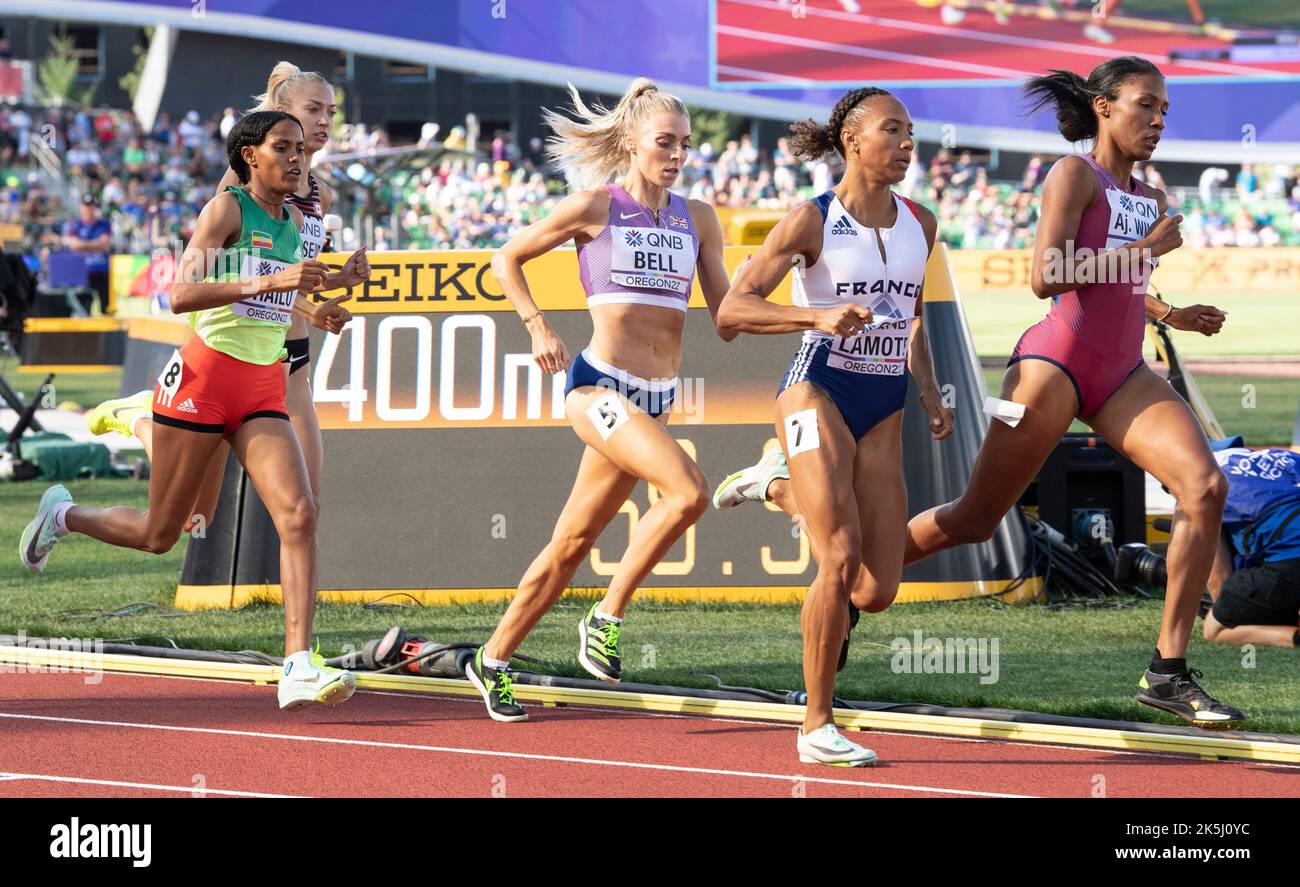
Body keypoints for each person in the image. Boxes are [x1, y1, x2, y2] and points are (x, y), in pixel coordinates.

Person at [903, 57, 1242, 729]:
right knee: (974, 516)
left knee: (1204, 487)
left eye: (1165, 110)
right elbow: (1046, 274)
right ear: (1103, 107)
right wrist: (1144, 248)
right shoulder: (1072, 175)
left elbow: (1126, 287)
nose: (1158, 120)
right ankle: (855, 568)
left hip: (1120, 373)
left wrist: (1170, 314)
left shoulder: (1153, 195)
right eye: (1146, 105)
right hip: (1052, 362)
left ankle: (1167, 671)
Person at [21, 111, 365, 711]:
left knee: (300, 513)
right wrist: (271, 282)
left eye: (299, 151)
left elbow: (281, 293)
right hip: (203, 382)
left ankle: (298, 664)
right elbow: (181, 294)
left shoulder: (293, 220)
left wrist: (326, 301)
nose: (296, 159)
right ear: (249, 157)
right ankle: (65, 514)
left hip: (260, 387)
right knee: (164, 534)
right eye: (281, 148)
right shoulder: (227, 210)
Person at [464, 78, 732, 722]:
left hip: (656, 397)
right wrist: (537, 325)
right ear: (631, 143)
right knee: (690, 492)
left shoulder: (698, 217)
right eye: (664, 143)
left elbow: (726, 314)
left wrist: (810, 313)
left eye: (685, 145)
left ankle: (491, 659)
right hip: (597, 388)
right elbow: (507, 259)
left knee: (572, 541)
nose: (677, 156)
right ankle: (606, 617)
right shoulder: (595, 207)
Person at [716, 86, 953, 767]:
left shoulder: (922, 222)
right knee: (839, 552)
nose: (909, 144)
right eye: (893, 131)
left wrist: (931, 390)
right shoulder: (811, 221)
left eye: (911, 132)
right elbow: (733, 313)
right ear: (853, 141)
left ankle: (773, 486)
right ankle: (817, 724)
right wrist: (814, 315)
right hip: (814, 391)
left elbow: (911, 315)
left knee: (875, 590)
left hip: (884, 404)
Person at [88, 62, 359, 539]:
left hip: (290, 361)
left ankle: (298, 614)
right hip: (228, 357)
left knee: (304, 508)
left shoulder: (324, 196)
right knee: (193, 520)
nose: (323, 122)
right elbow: (229, 276)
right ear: (281, 115)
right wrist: (293, 295)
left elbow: (293, 278)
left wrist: (330, 297)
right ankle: (141, 419)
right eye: (312, 110)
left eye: (330, 112)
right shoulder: (238, 188)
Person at [1203, 439, 1300, 649]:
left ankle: (1293, 635)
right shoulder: (1284, 457)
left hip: (1291, 561)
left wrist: (1226, 605)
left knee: (1214, 628)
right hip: (1289, 553)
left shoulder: (1201, 480)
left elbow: (1219, 583)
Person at [62, 195, 111, 311]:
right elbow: (73, 245)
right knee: (83, 308)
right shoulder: (75, 224)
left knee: (106, 307)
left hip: (101, 270)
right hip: (81, 270)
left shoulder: (104, 224)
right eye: (86, 206)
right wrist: (96, 245)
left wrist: (83, 245)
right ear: (81, 207)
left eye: (92, 206)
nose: (89, 209)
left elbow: (104, 244)